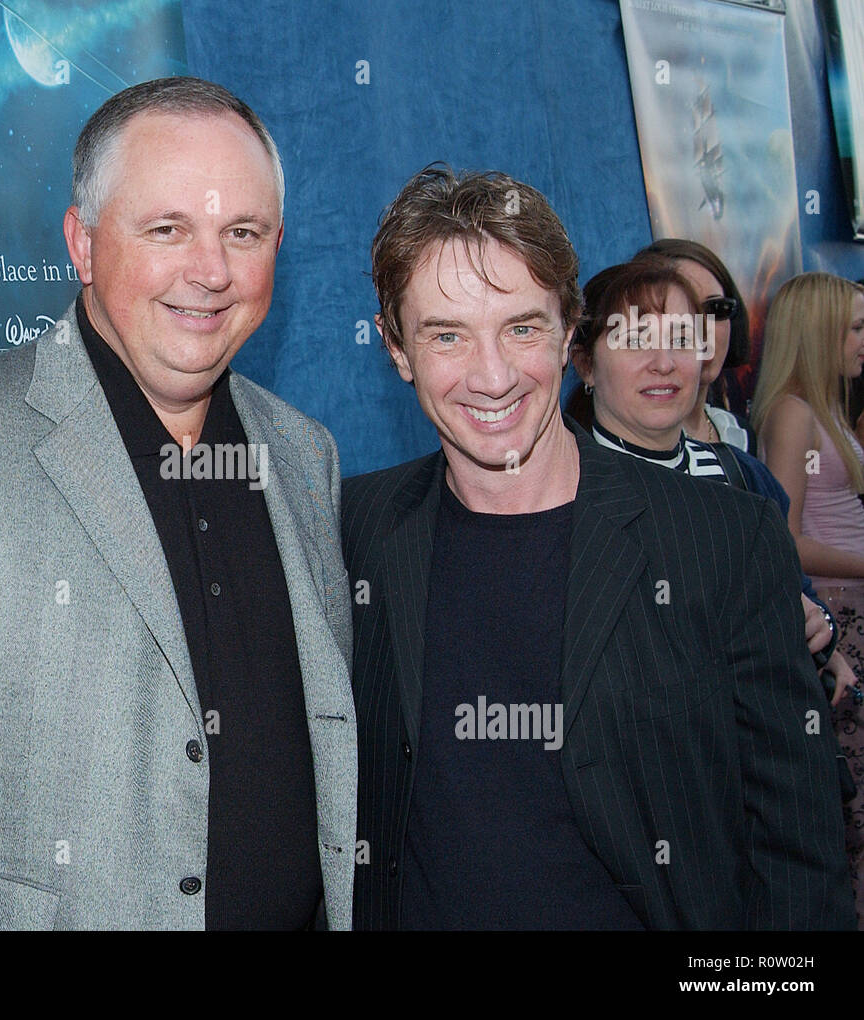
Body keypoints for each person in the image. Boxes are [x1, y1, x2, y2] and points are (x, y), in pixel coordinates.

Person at [0, 77, 356, 931]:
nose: (210, 272)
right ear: (84, 243)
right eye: (167, 229)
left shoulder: (304, 455)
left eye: (241, 233)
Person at [343, 163, 854, 930]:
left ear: (568, 326)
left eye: (521, 327)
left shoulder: (722, 539)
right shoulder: (349, 531)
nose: (491, 376)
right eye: (446, 334)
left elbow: (798, 850)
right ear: (396, 348)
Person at [566, 256, 857, 708]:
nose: (663, 363)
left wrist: (820, 628)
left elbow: (801, 600)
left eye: (681, 338)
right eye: (635, 339)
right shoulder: (560, 496)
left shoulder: (743, 477)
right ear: (585, 364)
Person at [752, 271, 864, 925]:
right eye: (853, 326)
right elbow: (786, 541)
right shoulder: (795, 416)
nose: (862, 340)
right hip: (838, 622)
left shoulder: (828, 414)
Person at [637, 238, 754, 449]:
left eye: (717, 308)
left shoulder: (739, 434)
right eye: (683, 312)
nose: (702, 329)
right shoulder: (623, 447)